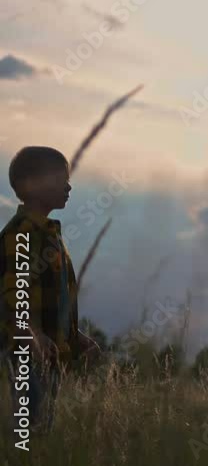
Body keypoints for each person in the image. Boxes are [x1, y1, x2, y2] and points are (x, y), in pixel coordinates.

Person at [1, 146, 100, 434]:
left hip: (48, 352)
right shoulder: (21, 234)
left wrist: (75, 336)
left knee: (42, 427)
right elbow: (13, 294)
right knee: (28, 429)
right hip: (25, 352)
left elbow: (57, 297)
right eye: (60, 179)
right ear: (30, 185)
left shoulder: (51, 236)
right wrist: (33, 334)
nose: (69, 186)